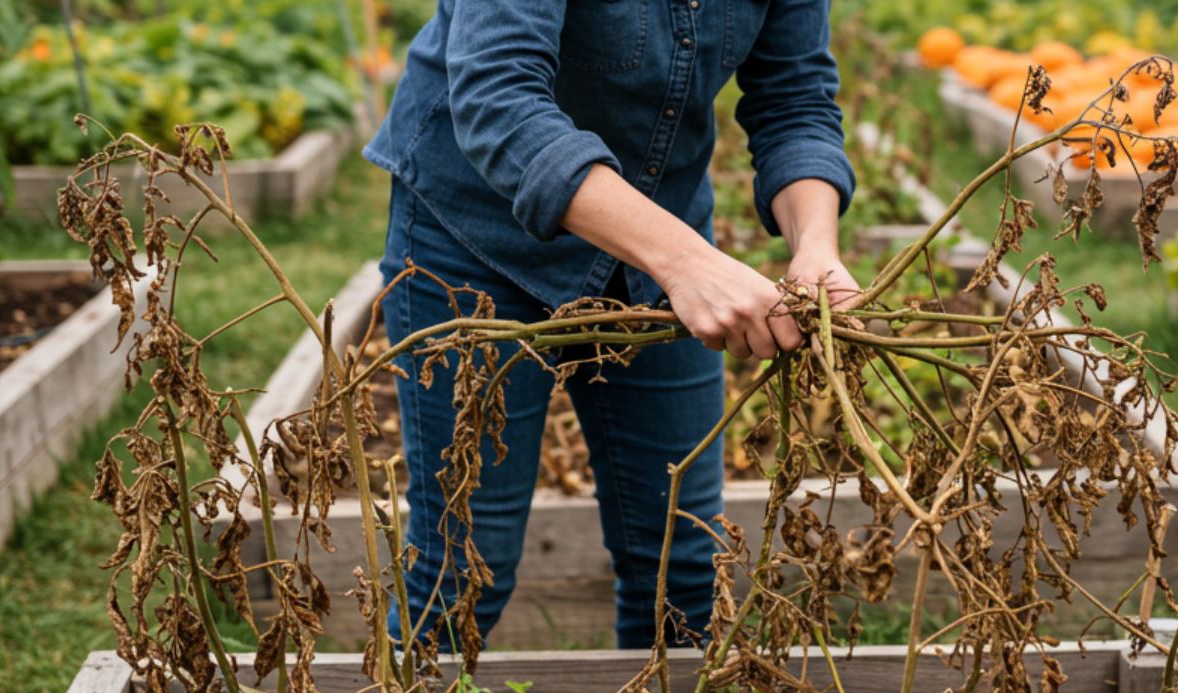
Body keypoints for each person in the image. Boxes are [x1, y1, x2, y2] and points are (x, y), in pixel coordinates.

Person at [364, 0, 858, 651]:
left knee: (681, 567)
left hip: (651, 234)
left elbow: (793, 99)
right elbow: (497, 98)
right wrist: (687, 263)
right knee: (461, 568)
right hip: (474, 239)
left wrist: (814, 247)